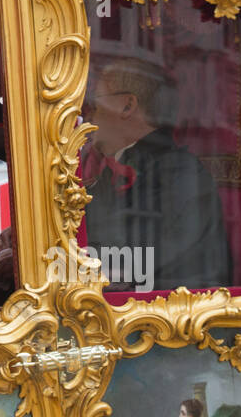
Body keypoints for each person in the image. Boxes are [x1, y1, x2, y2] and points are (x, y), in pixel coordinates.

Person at [81, 57, 230, 291]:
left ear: (127, 106)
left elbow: (133, 267)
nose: (88, 116)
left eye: (94, 104)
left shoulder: (178, 175)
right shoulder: (123, 167)